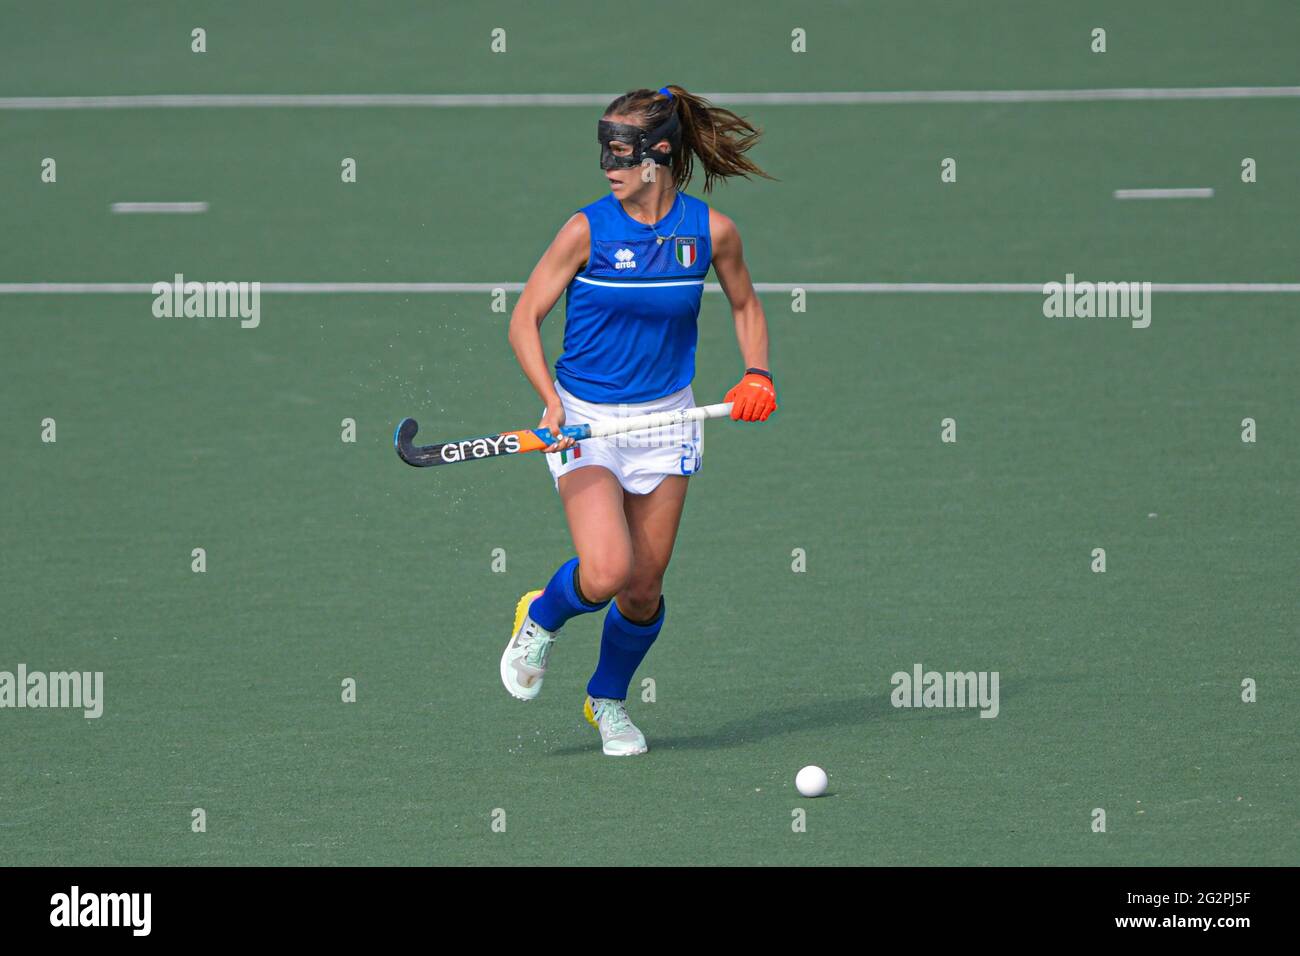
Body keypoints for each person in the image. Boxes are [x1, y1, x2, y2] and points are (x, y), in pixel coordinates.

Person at [502, 84, 777, 755]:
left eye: (620, 152)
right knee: (605, 572)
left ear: (660, 155)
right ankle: (540, 616)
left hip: (668, 421)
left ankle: (607, 701)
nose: (607, 166)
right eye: (604, 150)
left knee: (644, 590)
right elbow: (524, 319)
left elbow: (744, 306)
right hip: (585, 418)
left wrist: (756, 373)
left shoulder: (710, 233)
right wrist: (552, 399)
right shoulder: (585, 229)